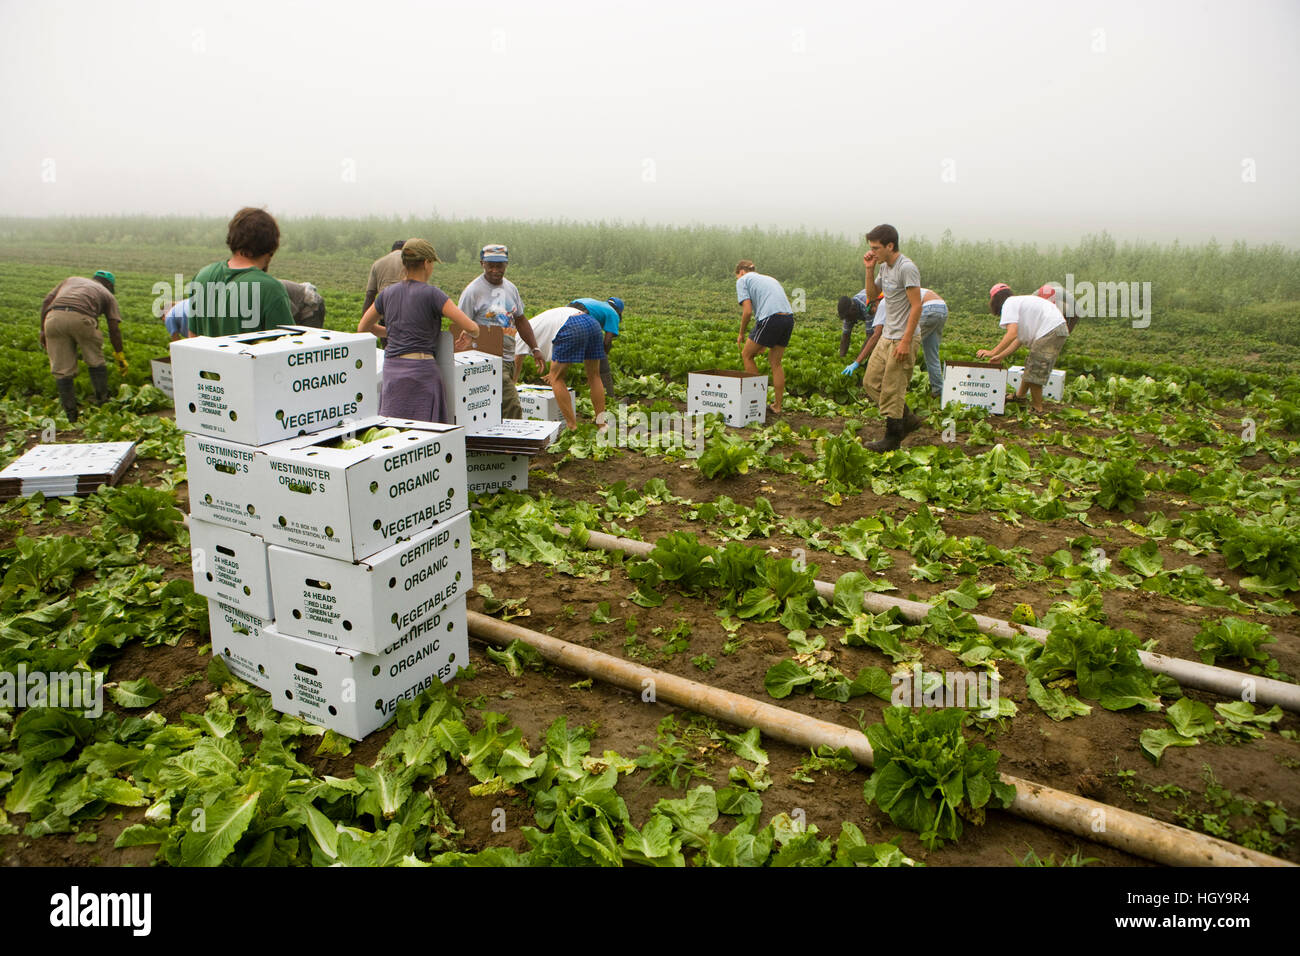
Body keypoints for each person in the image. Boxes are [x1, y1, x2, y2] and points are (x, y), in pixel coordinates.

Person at [358, 239, 482, 423]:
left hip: (392, 371)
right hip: (421, 373)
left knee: (394, 432)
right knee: (425, 434)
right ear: (426, 263)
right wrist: (470, 334)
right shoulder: (433, 294)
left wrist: (393, 333)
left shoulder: (387, 294)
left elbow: (363, 328)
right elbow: (472, 326)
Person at [457, 244, 543, 419]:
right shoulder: (473, 291)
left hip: (508, 357)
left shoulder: (511, 289)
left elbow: (520, 320)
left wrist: (535, 348)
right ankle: (516, 444)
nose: (495, 270)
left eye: (500, 265)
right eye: (491, 265)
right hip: (486, 359)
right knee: (512, 406)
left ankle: (498, 444)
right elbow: (460, 326)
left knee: (495, 406)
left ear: (506, 265)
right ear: (482, 264)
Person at [860, 224, 925, 450]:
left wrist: (906, 341)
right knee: (870, 382)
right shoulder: (884, 267)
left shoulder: (906, 268)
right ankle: (906, 418)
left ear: (890, 245)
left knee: (892, 389)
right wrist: (869, 269)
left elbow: (917, 306)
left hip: (902, 337)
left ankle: (892, 438)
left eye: (876, 248)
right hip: (887, 335)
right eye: (871, 248)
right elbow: (871, 297)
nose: (872, 252)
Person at [188, 207, 294, 337]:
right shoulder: (270, 289)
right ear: (271, 244)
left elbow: (192, 338)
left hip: (205, 358)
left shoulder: (202, 277)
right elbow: (286, 348)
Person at [40, 270, 127, 423]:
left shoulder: (71, 279)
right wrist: (119, 354)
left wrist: (42, 330)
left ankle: (70, 415)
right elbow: (114, 328)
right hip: (82, 318)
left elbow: (46, 301)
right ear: (108, 284)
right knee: (95, 360)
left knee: (62, 370)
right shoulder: (107, 294)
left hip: (53, 318)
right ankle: (103, 405)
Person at [509, 304, 606, 430]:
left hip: (571, 325)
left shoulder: (520, 335)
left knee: (556, 378)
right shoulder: (534, 322)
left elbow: (517, 363)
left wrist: (512, 386)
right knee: (594, 376)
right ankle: (602, 424)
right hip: (591, 323)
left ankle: (572, 426)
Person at [978, 283, 1070, 414]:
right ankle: (1020, 396)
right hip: (1055, 328)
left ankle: (1037, 408)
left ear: (995, 299)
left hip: (1051, 329)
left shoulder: (1009, 303)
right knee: (1031, 364)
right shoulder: (1019, 304)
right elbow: (1018, 340)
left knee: (1036, 368)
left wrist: (992, 351)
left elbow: (1011, 333)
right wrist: (1000, 356)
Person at [734, 260, 793, 416]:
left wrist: (741, 333)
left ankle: (757, 402)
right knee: (776, 363)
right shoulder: (768, 278)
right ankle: (777, 406)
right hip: (788, 318)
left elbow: (747, 311)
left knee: (747, 355)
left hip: (770, 318)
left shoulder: (742, 280)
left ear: (740, 272)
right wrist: (764, 342)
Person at [568, 295, 624, 398]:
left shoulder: (600, 306)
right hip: (583, 316)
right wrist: (603, 354)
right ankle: (610, 397)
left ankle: (555, 388)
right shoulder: (613, 313)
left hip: (566, 312)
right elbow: (607, 341)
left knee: (564, 357)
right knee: (602, 363)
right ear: (619, 311)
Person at [363, 240, 407, 313]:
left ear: (392, 250)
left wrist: (364, 320)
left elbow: (370, 294)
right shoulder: (412, 262)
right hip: (406, 310)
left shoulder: (378, 263)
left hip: (384, 308)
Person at [837, 290, 882, 358]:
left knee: (880, 336)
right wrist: (841, 358)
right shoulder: (848, 313)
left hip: (888, 308)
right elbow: (845, 336)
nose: (847, 320)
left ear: (853, 310)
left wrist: (858, 361)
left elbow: (870, 336)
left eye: (848, 317)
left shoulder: (867, 306)